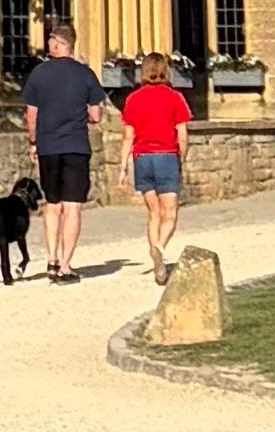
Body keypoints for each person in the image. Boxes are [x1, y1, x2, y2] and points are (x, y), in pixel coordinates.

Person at [21, 19, 103, 281]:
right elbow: (97, 114)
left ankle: (52, 259)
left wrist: (33, 142)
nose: (49, 46)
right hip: (76, 146)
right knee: (73, 206)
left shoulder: (39, 74)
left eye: (50, 42)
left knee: (52, 204)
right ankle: (66, 264)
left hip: (48, 146)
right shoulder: (85, 74)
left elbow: (31, 115)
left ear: (57, 44)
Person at [121, 51, 191, 277]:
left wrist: (122, 168)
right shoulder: (174, 98)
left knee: (153, 213)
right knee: (170, 212)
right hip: (166, 156)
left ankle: (156, 255)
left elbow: (128, 137)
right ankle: (160, 248)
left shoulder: (133, 99)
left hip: (142, 158)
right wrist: (183, 159)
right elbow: (182, 135)